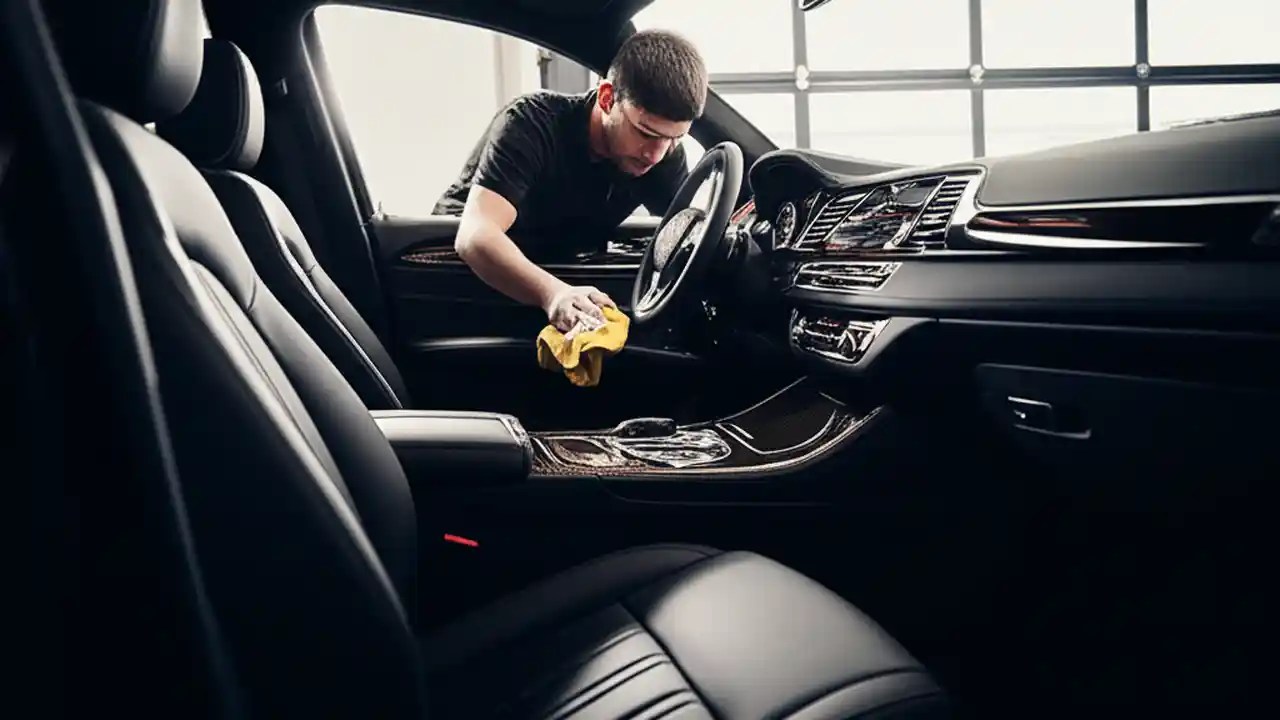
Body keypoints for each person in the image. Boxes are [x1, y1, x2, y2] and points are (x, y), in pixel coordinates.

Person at [435, 29, 707, 333]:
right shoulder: (530, 124)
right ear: (607, 98)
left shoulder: (663, 155)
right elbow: (475, 236)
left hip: (555, 277)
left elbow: (688, 231)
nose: (655, 155)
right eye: (645, 132)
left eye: (674, 138)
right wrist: (553, 293)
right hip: (464, 284)